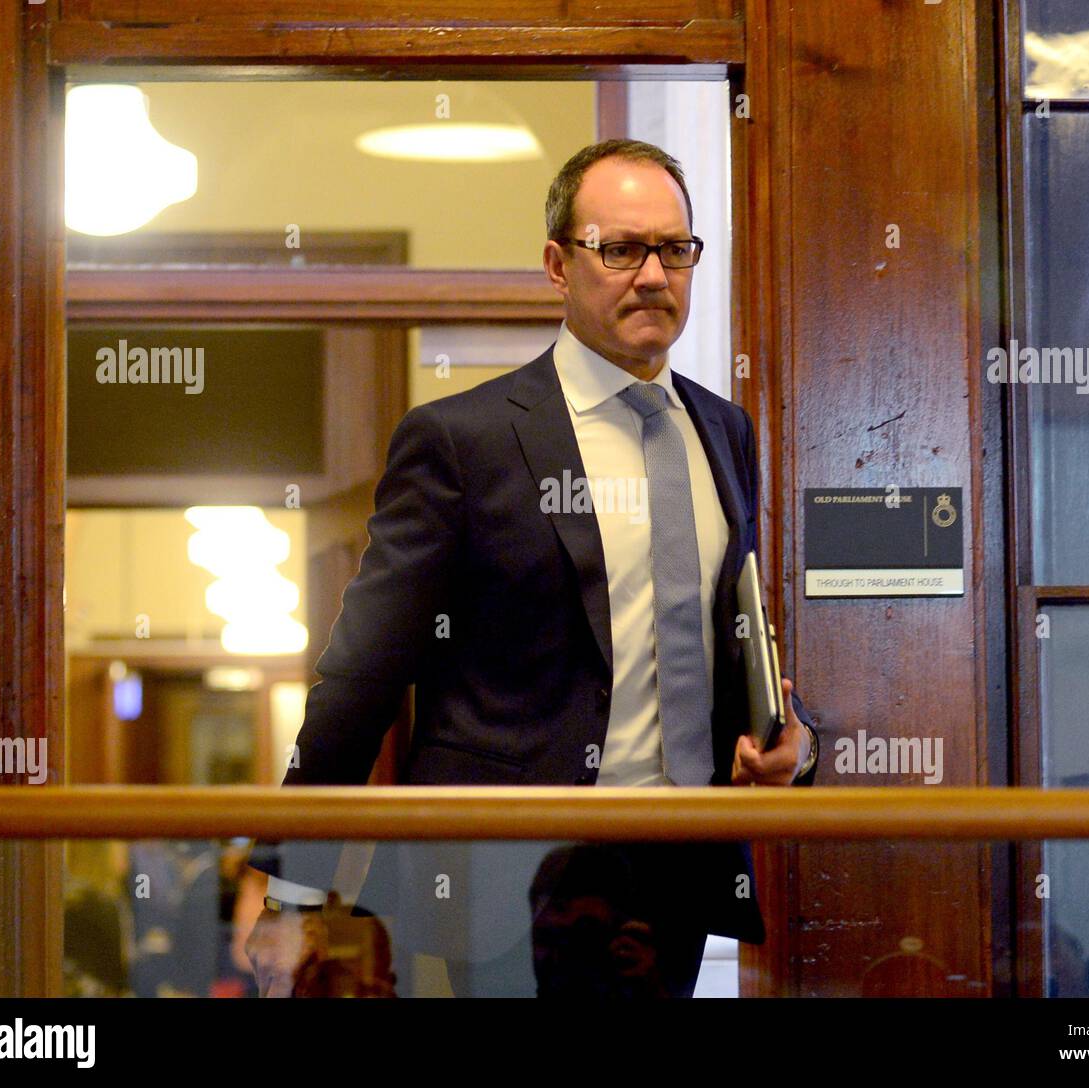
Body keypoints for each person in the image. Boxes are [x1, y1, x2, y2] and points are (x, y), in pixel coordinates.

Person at [244, 139, 821, 998]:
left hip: (679, 874)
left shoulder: (722, 430)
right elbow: (363, 673)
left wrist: (794, 739)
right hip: (500, 883)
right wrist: (290, 887)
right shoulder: (462, 440)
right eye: (620, 250)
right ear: (558, 265)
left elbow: (728, 633)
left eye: (674, 249)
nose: (654, 276)